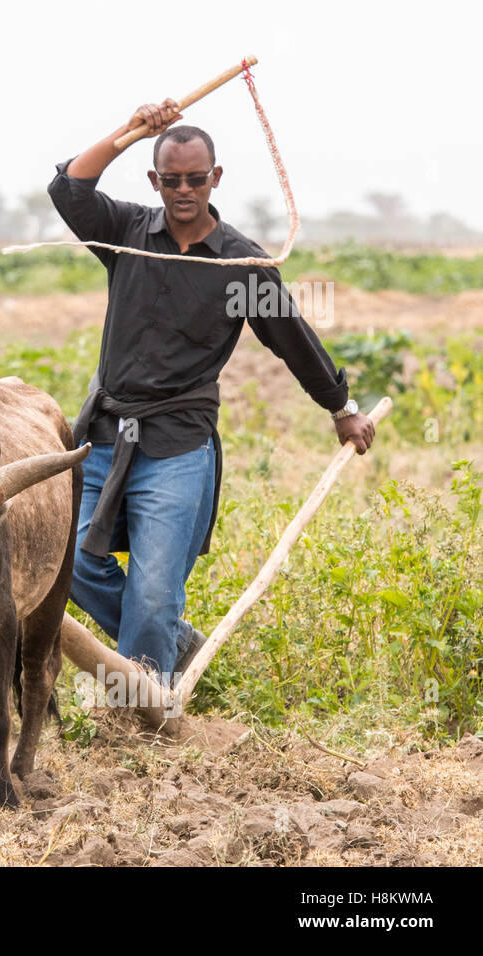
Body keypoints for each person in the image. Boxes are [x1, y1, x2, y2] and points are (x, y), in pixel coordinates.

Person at [48, 99, 376, 687]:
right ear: (155, 181)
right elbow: (70, 189)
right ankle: (174, 640)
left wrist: (341, 408)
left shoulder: (241, 265)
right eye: (170, 180)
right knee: (68, 561)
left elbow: (293, 340)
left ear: (214, 178)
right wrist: (131, 132)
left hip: (178, 446)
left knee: (152, 592)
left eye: (195, 179)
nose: (183, 190)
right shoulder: (126, 231)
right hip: (103, 434)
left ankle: (140, 711)